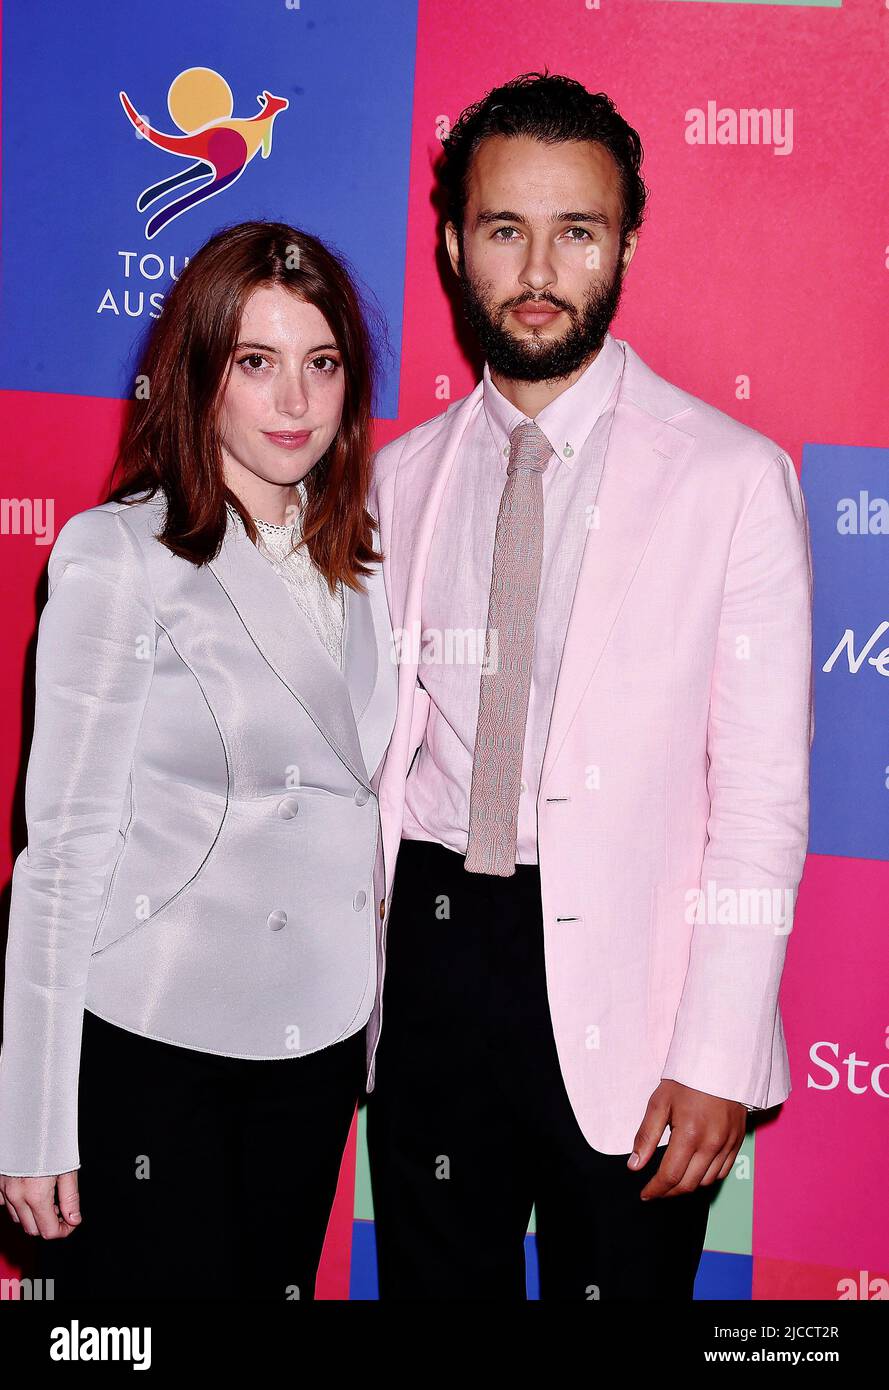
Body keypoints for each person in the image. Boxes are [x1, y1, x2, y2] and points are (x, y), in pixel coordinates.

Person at [364, 72, 814, 1300]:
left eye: (578, 231)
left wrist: (717, 1049)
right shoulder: (396, 481)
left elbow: (761, 797)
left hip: (636, 981)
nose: (540, 269)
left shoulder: (730, 479)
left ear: (624, 245)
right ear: (456, 246)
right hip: (431, 961)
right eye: (506, 230)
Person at [0, 220, 397, 1300]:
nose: (293, 401)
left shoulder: (366, 556)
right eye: (255, 363)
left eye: (321, 365)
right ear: (201, 374)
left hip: (313, 1043)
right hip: (153, 1036)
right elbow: (62, 850)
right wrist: (35, 1116)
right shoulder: (121, 553)